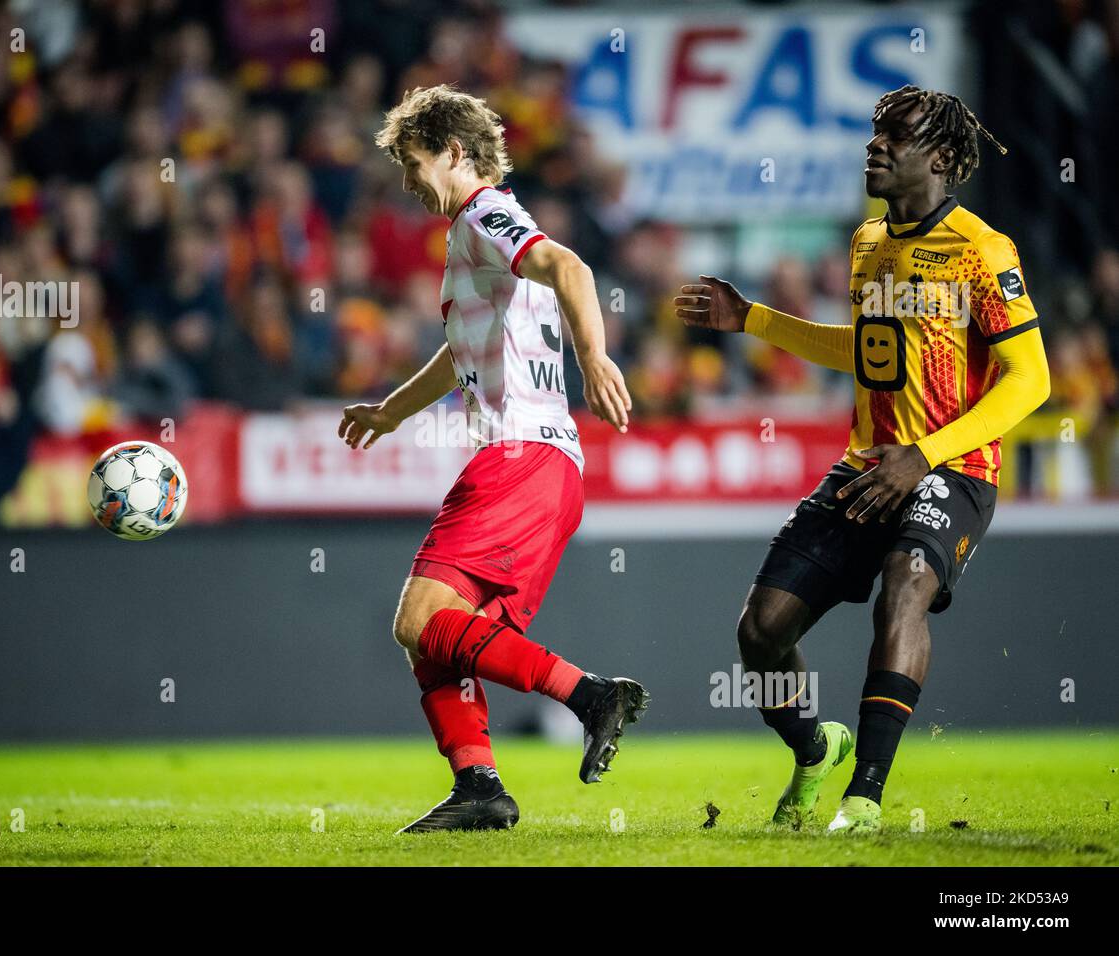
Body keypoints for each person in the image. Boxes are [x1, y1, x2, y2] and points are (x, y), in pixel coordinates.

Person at [676, 86, 1052, 834]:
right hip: (868, 464)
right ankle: (817, 751)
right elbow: (870, 354)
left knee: (905, 584)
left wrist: (927, 455)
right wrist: (752, 318)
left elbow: (1032, 377)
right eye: (875, 134)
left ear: (941, 157)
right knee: (759, 631)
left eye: (897, 136)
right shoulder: (868, 243)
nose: (875, 147)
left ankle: (865, 798)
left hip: (952, 468)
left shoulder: (982, 251)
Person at [339, 85, 646, 833]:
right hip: (546, 471)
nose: (409, 184)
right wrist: (390, 411)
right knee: (444, 638)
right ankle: (479, 785)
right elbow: (458, 356)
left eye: (414, 163)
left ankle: (588, 695)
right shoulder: (479, 233)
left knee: (418, 620)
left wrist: (595, 359)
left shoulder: (484, 213)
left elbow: (571, 269)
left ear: (455, 152)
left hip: (519, 460)